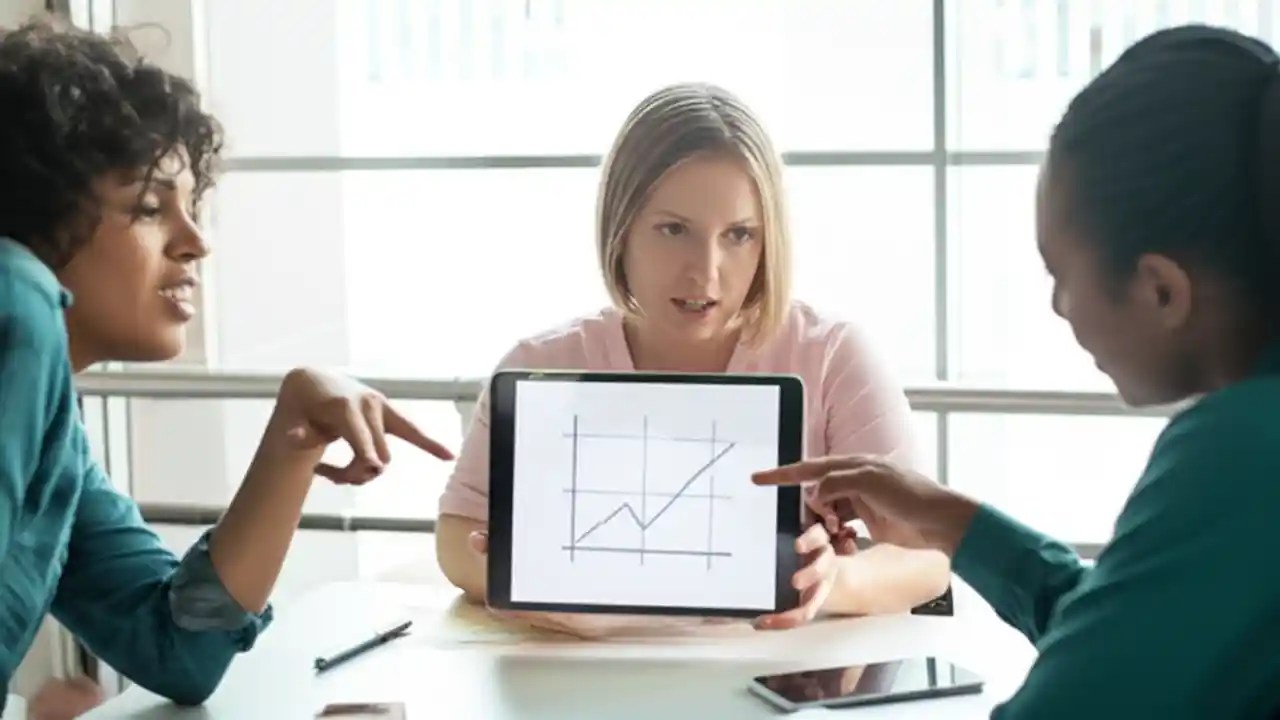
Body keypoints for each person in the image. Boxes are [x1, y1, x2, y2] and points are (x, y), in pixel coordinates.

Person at [755, 24, 1280, 718]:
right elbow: (1136, 639)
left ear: (1160, 290)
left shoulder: (1242, 447)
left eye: (1060, 275)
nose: (1058, 307)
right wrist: (950, 520)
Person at [0, 20, 454, 716]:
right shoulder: (17, 294)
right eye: (150, 208)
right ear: (38, 208)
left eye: (193, 207)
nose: (195, 242)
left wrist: (294, 436)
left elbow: (179, 648)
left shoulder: (54, 435)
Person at [434, 82, 952, 637]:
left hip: (774, 668)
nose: (705, 271)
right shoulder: (544, 362)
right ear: (621, 229)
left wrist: (833, 581)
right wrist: (537, 583)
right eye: (673, 229)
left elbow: (929, 558)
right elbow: (458, 533)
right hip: (585, 665)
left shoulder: (830, 356)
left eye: (739, 235)